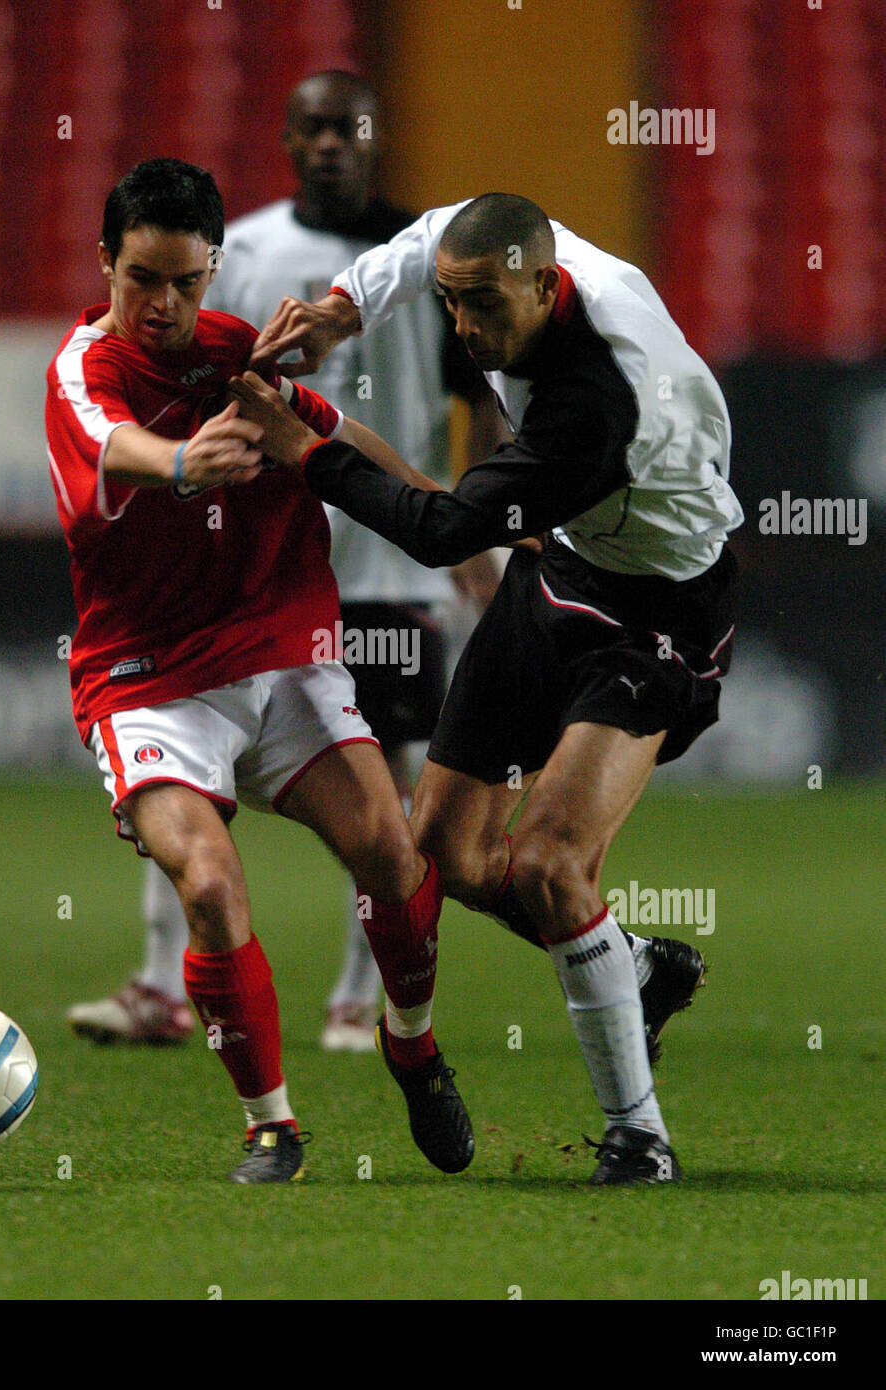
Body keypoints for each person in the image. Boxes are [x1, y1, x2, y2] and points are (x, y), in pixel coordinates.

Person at [230, 193, 744, 1184]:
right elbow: (441, 229)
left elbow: (441, 531)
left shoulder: (601, 402)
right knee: (447, 857)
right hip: (561, 571)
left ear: (546, 288)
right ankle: (631, 964)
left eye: (484, 307)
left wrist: (307, 456)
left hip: (656, 613)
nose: (463, 328)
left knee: (548, 862)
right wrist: (342, 308)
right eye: (451, 303)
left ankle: (639, 1137)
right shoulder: (520, 256)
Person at [45, 158, 474, 1182]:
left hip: (279, 656)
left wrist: (454, 518)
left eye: (185, 281)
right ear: (105, 263)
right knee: (206, 881)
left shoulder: (238, 357)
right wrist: (183, 460)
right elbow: (110, 447)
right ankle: (271, 1126)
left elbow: (337, 436)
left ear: (212, 269)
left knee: (393, 855)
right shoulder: (82, 368)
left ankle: (412, 1045)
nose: (162, 304)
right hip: (147, 679)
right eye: (142, 278)